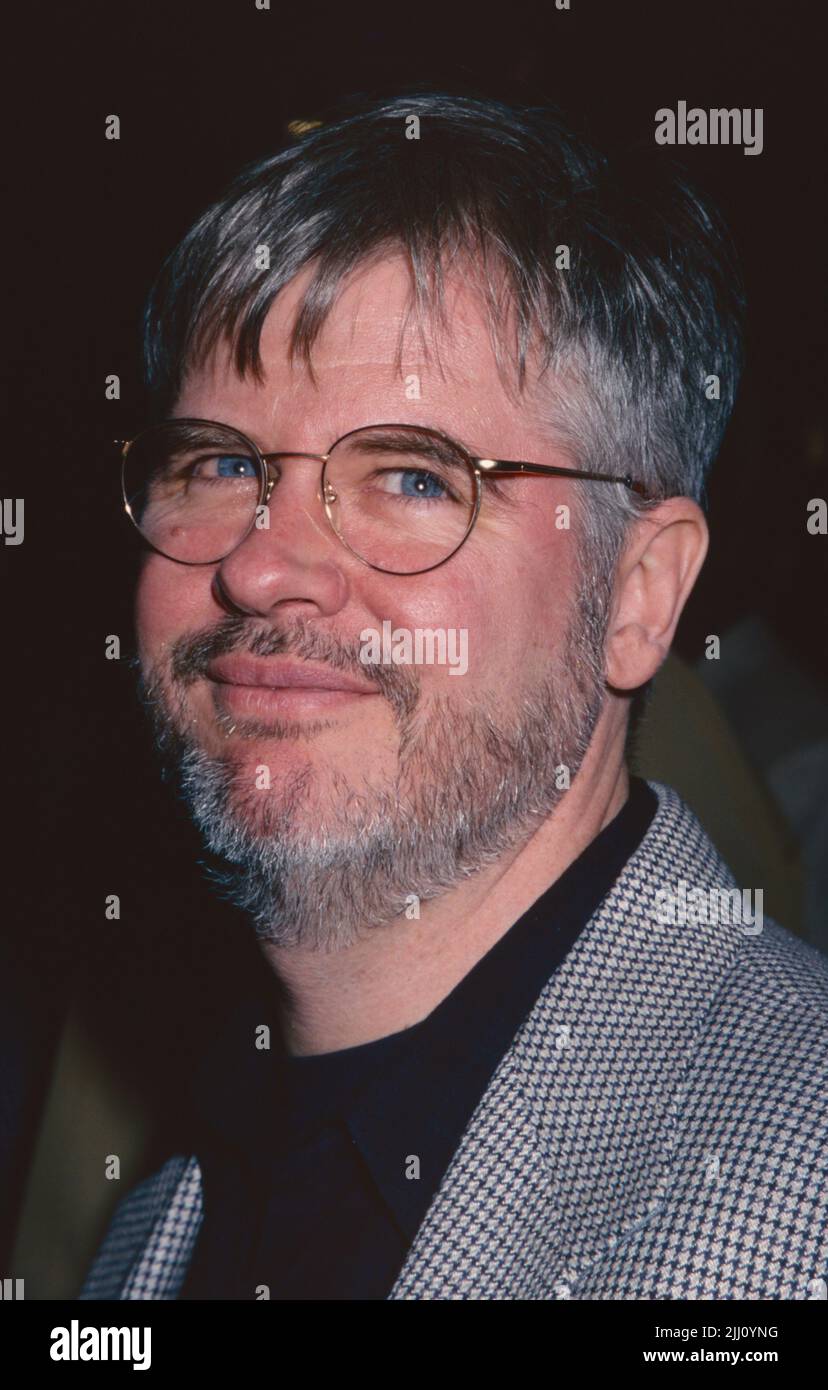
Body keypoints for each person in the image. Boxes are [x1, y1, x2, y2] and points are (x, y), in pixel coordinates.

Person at [80, 91, 827, 1301]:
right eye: (220, 463)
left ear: (637, 593)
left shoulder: (796, 1200)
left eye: (415, 480)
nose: (262, 563)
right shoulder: (165, 1208)